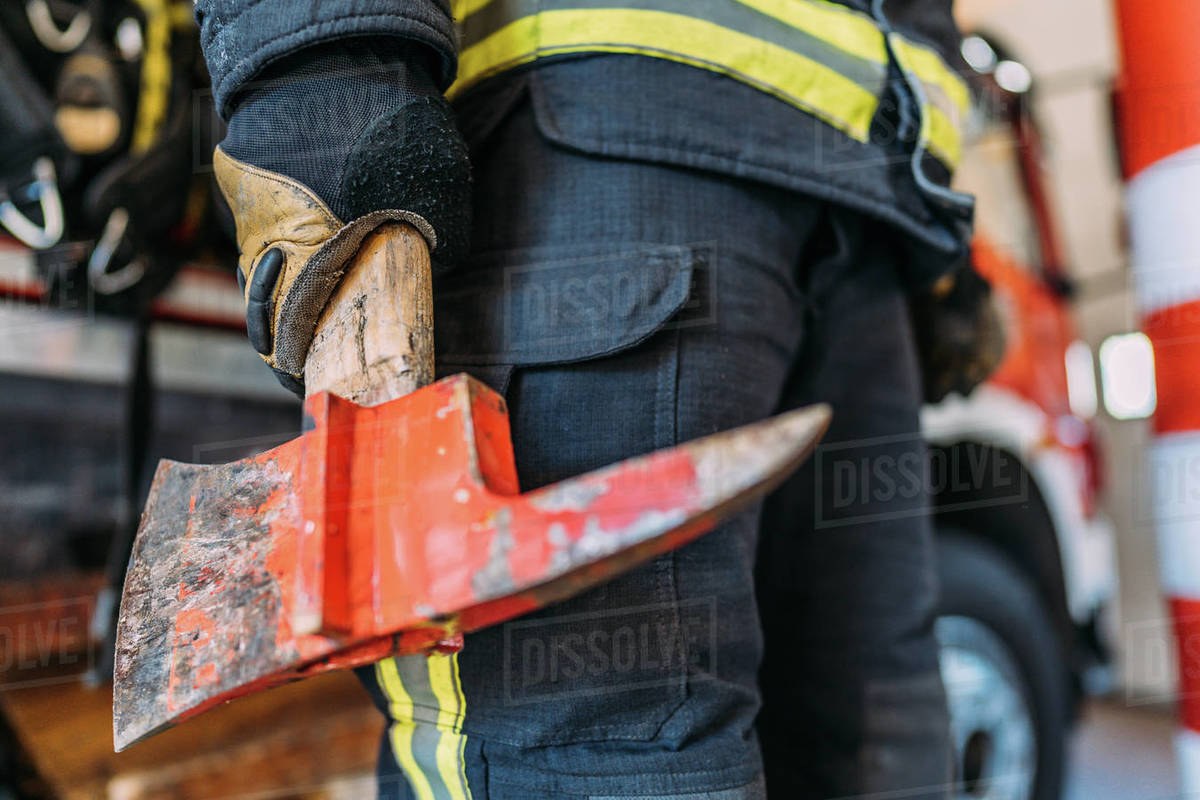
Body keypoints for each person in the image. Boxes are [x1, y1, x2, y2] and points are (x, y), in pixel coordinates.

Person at [193, 1, 981, 797]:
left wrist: (932, 215)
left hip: (864, 205)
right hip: (583, 122)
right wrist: (326, 59)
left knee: (879, 734)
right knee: (618, 754)